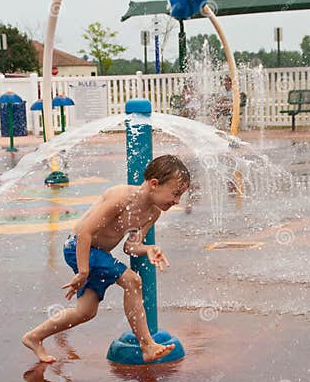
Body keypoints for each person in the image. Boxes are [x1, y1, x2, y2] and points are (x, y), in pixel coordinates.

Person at [22, 155, 190, 364]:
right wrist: (83, 272)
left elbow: (130, 247)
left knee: (85, 312)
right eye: (175, 194)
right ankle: (147, 345)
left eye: (180, 196)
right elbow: (84, 232)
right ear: (155, 184)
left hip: (98, 255)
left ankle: (34, 337)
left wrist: (148, 249)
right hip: (79, 247)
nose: (177, 201)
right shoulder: (121, 197)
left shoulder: (152, 213)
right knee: (132, 281)